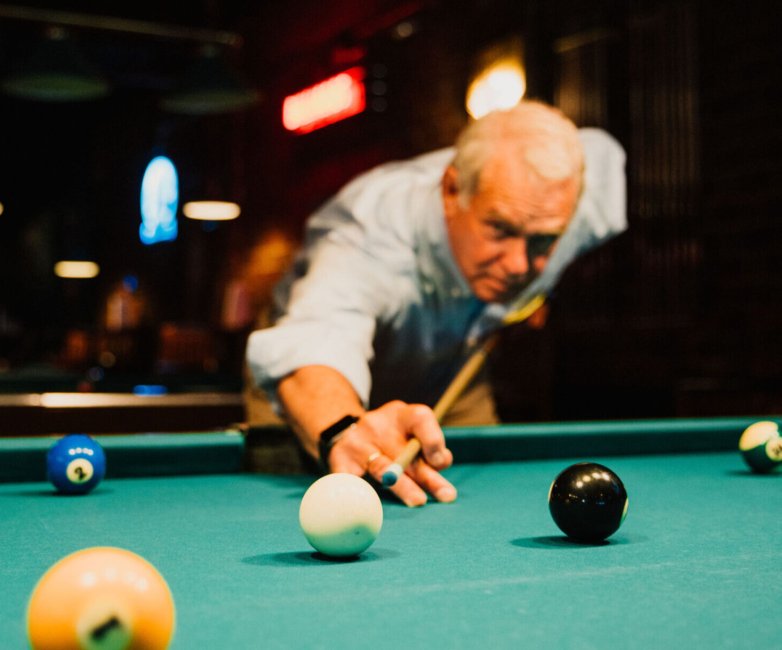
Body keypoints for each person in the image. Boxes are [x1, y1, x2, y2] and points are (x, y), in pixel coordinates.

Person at [246, 100, 627, 507]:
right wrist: (342, 426)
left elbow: (604, 149)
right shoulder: (372, 234)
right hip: (315, 380)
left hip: (454, 364)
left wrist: (538, 294)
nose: (519, 266)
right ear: (451, 191)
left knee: (472, 500)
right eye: (499, 229)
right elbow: (318, 335)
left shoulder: (581, 197)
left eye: (543, 241)